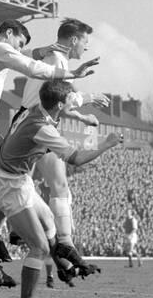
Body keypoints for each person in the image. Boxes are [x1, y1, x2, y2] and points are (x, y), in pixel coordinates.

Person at [0, 20, 98, 288]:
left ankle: (2, 247)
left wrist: (38, 50)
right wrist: (73, 74)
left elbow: (24, 56)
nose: (19, 49)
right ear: (9, 33)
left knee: (2, 185)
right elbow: (30, 66)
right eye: (19, 42)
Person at [0, 79, 123, 298]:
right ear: (59, 104)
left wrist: (86, 102)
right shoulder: (43, 129)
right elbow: (77, 158)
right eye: (69, 101)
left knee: (51, 222)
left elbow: (69, 100)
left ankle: (64, 267)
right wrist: (106, 143)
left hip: (18, 179)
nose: (73, 103)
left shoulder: (37, 108)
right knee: (39, 247)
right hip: (9, 185)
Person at [6, 18, 110, 280]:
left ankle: (48, 241)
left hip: (38, 122)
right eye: (85, 41)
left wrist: (82, 116)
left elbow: (58, 102)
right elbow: (53, 98)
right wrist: (87, 98)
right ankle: (58, 242)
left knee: (47, 183)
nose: (85, 48)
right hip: (33, 123)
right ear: (74, 40)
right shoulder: (55, 60)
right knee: (45, 184)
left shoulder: (57, 60)